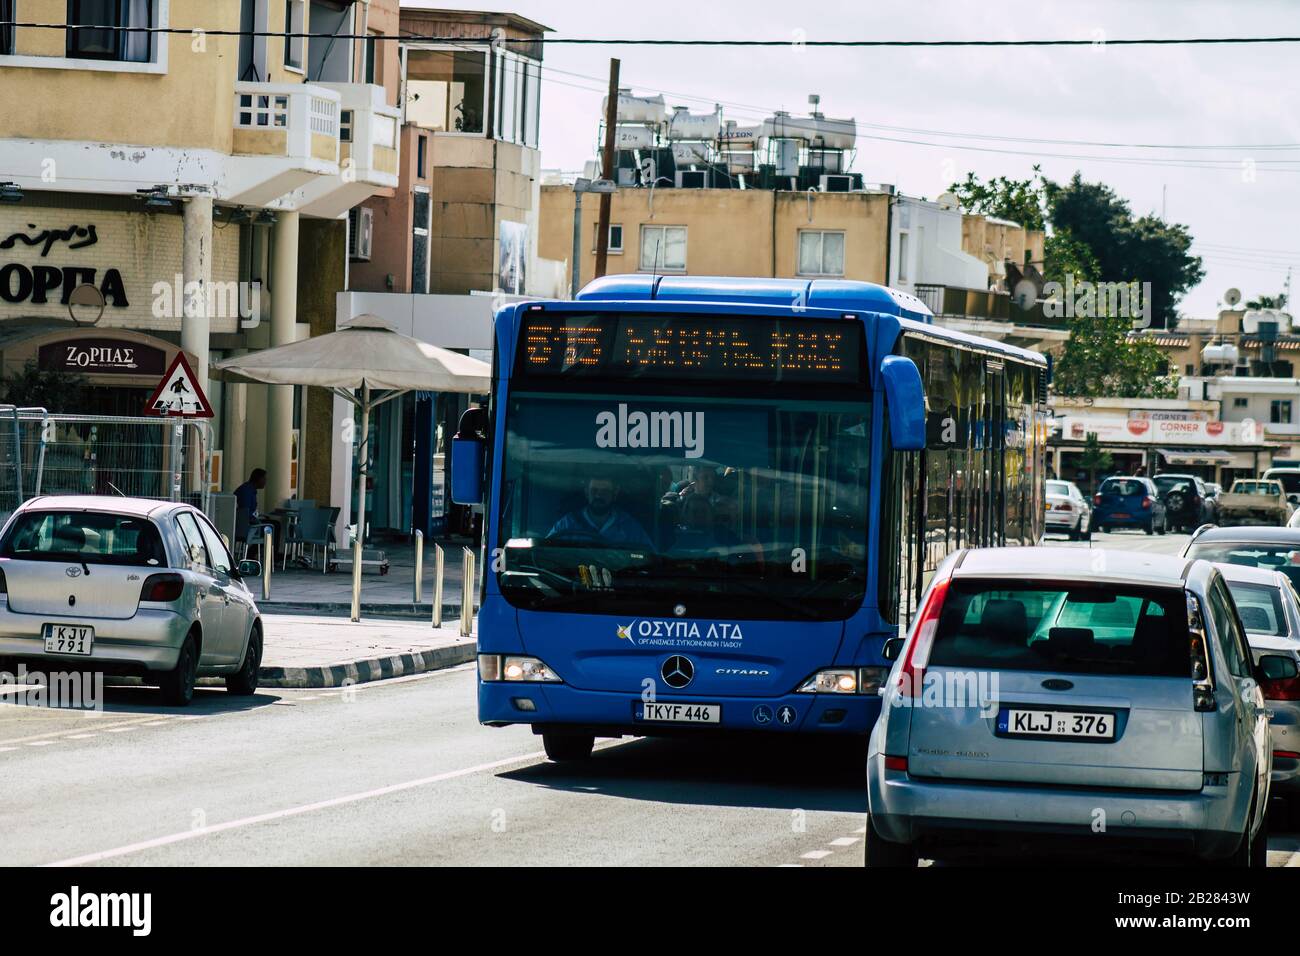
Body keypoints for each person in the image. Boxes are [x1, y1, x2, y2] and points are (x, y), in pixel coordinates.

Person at [548, 477, 653, 548]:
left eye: (605, 491)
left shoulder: (630, 527)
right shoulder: (567, 524)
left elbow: (649, 557)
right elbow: (545, 553)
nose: (598, 496)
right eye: (594, 490)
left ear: (615, 493)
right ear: (586, 493)